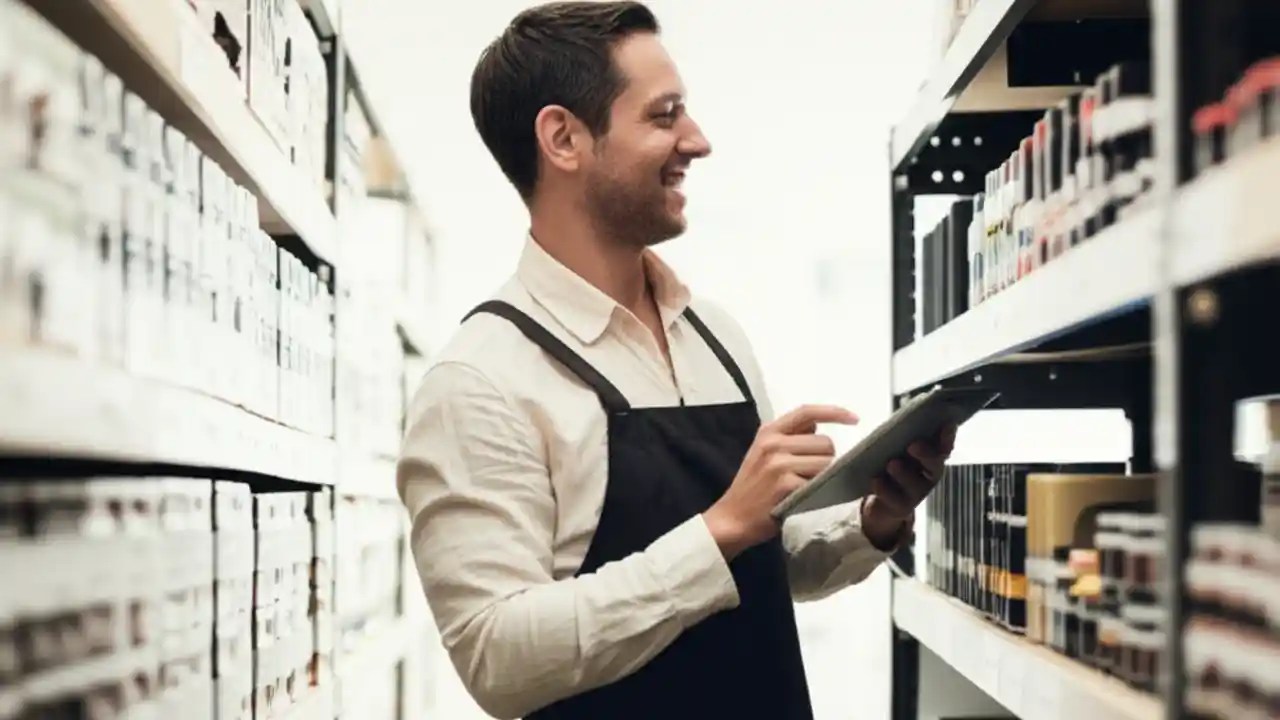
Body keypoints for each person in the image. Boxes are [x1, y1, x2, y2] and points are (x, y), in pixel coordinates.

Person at [396, 3, 956, 718]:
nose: (698, 141)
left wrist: (872, 517)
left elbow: (756, 568)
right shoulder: (480, 381)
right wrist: (720, 527)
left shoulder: (713, 335)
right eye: (665, 117)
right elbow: (497, 655)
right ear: (563, 138)